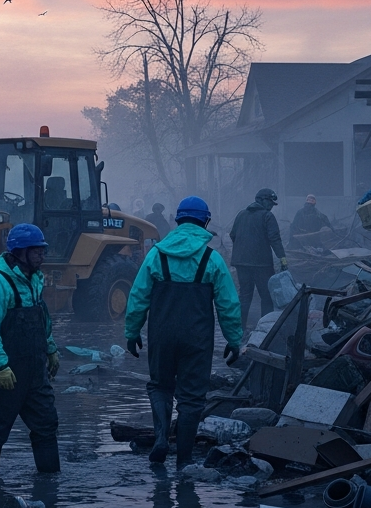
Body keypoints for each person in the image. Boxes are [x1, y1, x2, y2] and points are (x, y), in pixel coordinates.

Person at [123, 196, 243, 468]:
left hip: (161, 335)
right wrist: (234, 339)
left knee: (160, 386)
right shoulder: (212, 258)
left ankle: (161, 438)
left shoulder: (156, 254)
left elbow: (138, 297)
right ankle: (184, 461)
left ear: (178, 221)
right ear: (205, 222)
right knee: (191, 397)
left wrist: (132, 333)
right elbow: (228, 304)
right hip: (197, 338)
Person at [0, 223, 61, 474]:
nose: (42, 255)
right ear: (19, 252)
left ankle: (50, 488)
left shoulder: (34, 280)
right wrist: (1, 366)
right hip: (3, 375)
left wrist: (51, 349)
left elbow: (42, 318)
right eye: (36, 251)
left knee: (46, 426)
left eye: (42, 250)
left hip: (35, 374)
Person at [229, 188, 287, 324]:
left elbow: (233, 235)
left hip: (241, 263)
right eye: (271, 203)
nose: (272, 206)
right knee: (266, 296)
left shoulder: (241, 215)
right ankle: (265, 329)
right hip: (262, 264)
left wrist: (244, 249)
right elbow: (274, 238)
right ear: (262, 200)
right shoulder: (267, 216)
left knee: (244, 296)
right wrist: (283, 258)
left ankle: (240, 329)